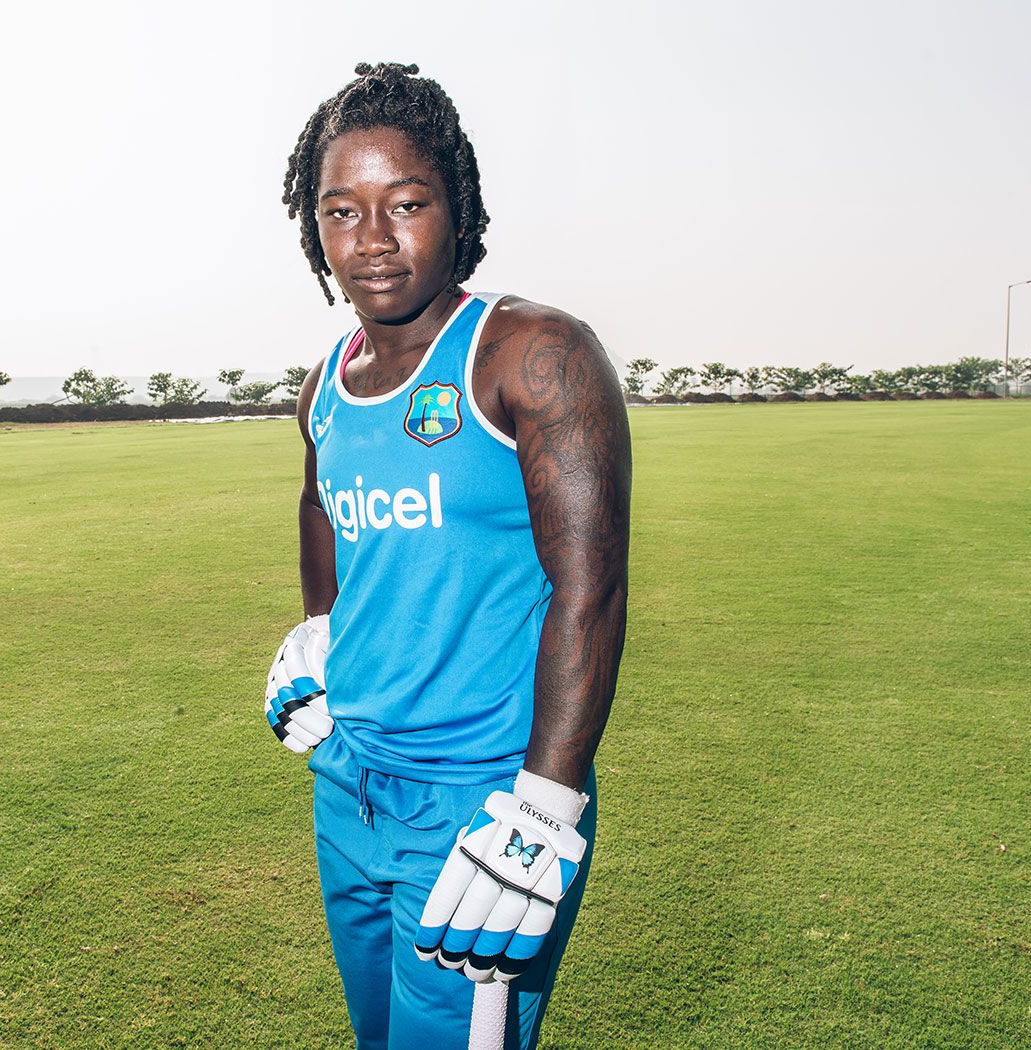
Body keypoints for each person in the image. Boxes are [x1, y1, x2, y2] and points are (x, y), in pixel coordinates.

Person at [264, 62, 631, 1050]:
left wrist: (543, 810)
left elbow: (588, 590)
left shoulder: (531, 353)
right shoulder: (325, 384)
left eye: (405, 203)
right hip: (348, 786)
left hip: (485, 806)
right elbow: (317, 502)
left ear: (454, 207)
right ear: (313, 227)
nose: (371, 240)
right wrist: (318, 637)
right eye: (340, 211)